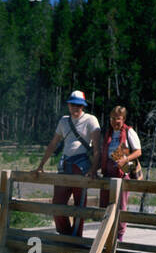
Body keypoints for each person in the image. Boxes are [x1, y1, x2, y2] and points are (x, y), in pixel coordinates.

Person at [34, 91, 101, 237]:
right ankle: (66, 235)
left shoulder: (91, 120)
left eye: (78, 105)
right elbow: (53, 144)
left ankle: (76, 237)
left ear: (83, 106)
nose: (75, 108)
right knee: (57, 204)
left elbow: (97, 147)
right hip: (65, 165)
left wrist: (93, 169)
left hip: (82, 166)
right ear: (68, 105)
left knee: (80, 205)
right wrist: (41, 165)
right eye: (72, 105)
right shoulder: (64, 121)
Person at [99, 105, 142, 239]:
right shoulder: (108, 133)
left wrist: (125, 159)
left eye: (117, 118)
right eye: (112, 118)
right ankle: (106, 235)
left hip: (123, 173)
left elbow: (138, 151)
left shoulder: (129, 131)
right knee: (106, 205)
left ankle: (119, 237)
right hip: (108, 173)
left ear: (123, 119)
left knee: (121, 206)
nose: (114, 121)